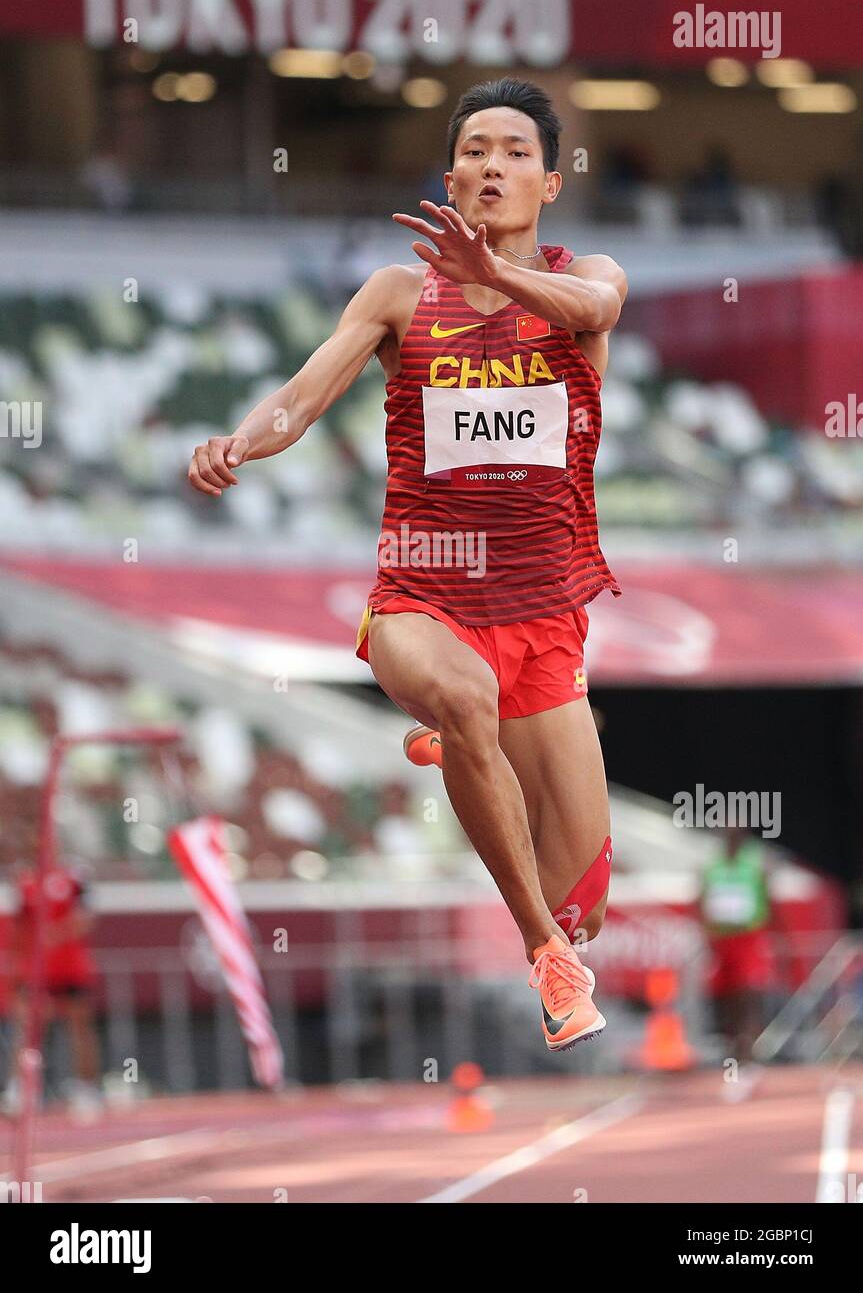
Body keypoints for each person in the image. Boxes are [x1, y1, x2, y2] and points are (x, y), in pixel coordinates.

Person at [188, 77, 626, 1052]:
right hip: (421, 599)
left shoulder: (583, 279)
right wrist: (240, 441)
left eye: (515, 151)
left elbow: (591, 301)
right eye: (475, 149)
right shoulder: (397, 294)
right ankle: (543, 954)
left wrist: (501, 277)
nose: (492, 165)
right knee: (469, 705)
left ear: (548, 181)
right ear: (450, 174)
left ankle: (465, 759)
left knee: (586, 889)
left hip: (547, 618)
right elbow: (302, 396)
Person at [3, 862, 102, 1116]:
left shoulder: (74, 876)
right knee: (30, 1028)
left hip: (69, 966)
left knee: (79, 1027)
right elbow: (18, 925)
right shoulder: (24, 880)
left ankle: (86, 1089)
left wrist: (56, 933)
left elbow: (86, 918)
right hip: (35, 969)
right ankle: (25, 1088)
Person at [700, 825, 775, 1099]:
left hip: (749, 939)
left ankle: (747, 1062)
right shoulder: (711, 866)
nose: (729, 834)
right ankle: (734, 1060)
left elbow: (771, 903)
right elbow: (702, 903)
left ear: (743, 834)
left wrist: (776, 940)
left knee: (748, 1000)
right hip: (722, 942)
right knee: (727, 1004)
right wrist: (707, 936)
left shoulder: (756, 864)